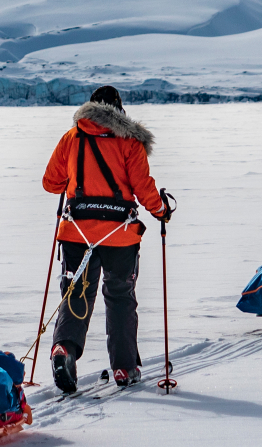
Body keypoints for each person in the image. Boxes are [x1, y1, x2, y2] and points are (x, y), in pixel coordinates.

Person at [42, 85, 171, 392]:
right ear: (119, 109)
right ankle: (125, 368)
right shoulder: (130, 142)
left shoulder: (72, 138)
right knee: (120, 298)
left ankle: (64, 349)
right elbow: (142, 186)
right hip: (120, 236)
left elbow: (51, 182)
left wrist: (73, 179)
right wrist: (161, 210)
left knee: (75, 294)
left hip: (76, 232)